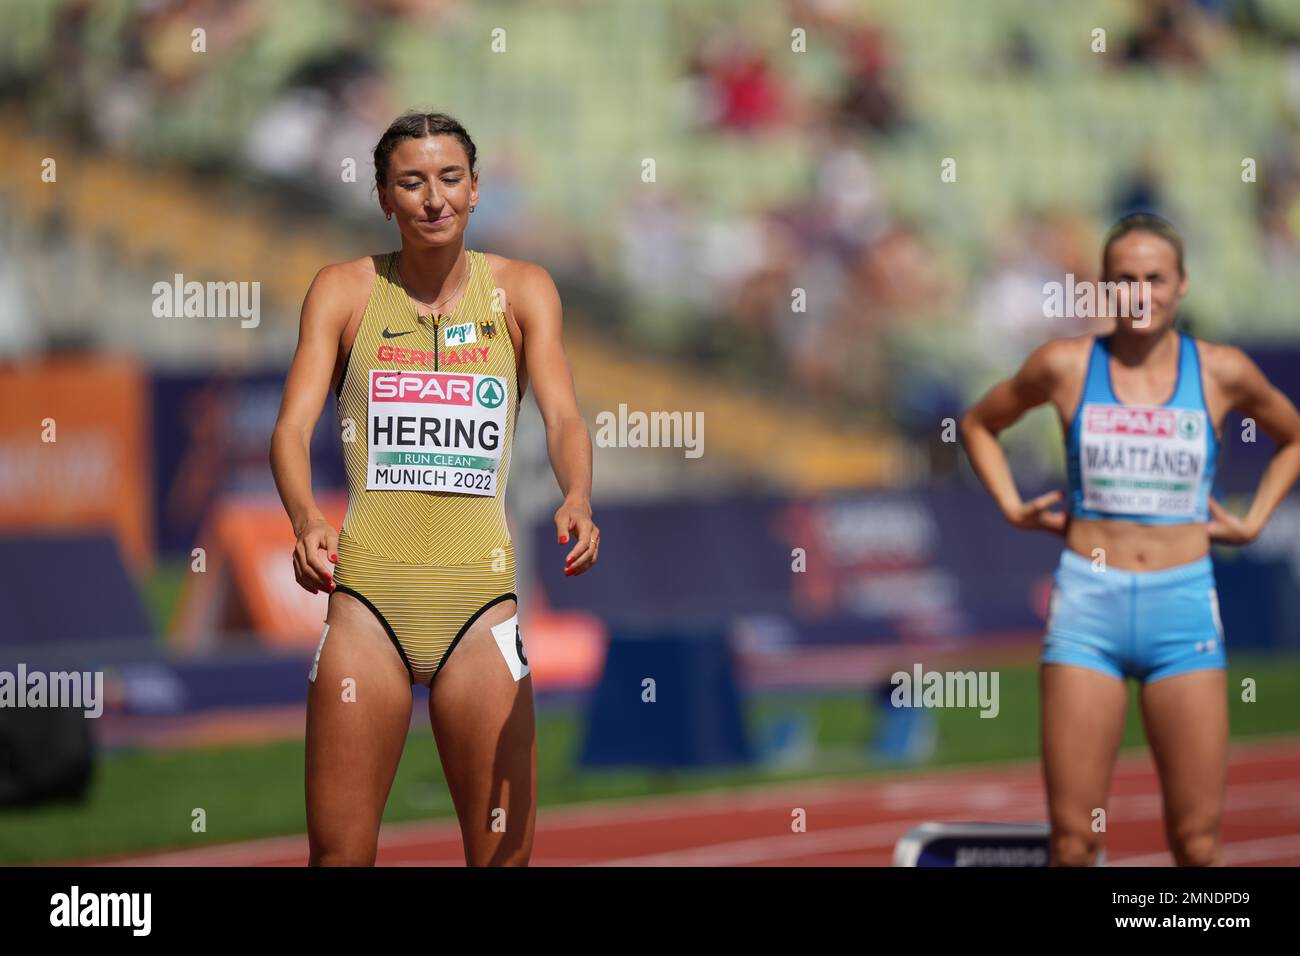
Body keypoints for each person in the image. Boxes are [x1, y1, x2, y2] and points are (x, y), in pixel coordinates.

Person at [270, 111, 598, 866]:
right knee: (339, 858)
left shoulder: (523, 291)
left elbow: (565, 418)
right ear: (384, 196)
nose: (433, 198)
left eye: (450, 179)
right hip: (367, 607)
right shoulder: (343, 291)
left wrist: (576, 494)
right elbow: (289, 429)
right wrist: (304, 519)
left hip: (479, 608)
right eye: (411, 182)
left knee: (500, 861)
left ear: (477, 189)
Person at [960, 212, 1300, 866]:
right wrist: (1008, 504)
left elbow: (1293, 435)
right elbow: (979, 424)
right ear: (1103, 287)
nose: (1140, 294)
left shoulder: (1223, 372)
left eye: (1155, 278)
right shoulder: (1064, 366)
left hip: (1183, 610)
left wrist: (1254, 519)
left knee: (1197, 843)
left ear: (1182, 285)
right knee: (1073, 839)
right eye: (1124, 280)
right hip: (1090, 609)